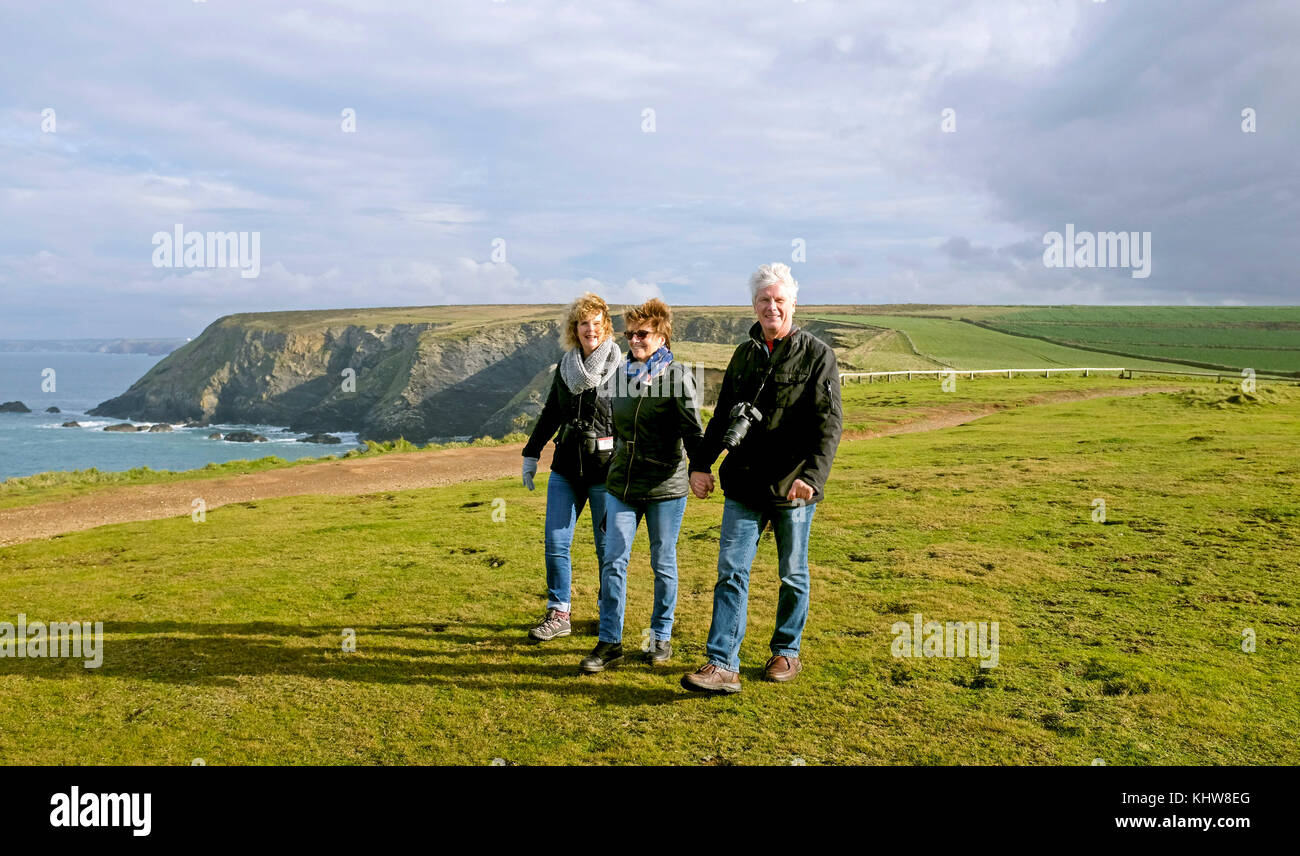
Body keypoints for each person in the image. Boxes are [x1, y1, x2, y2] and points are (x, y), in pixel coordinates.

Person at [680, 263, 843, 693]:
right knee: (731, 571)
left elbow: (830, 424)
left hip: (793, 486)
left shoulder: (817, 355)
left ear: (793, 304)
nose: (772, 307)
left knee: (792, 573)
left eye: (779, 300)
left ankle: (786, 651)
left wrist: (813, 476)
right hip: (744, 484)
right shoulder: (744, 354)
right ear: (753, 305)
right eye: (764, 300)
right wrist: (701, 465)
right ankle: (722, 664)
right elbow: (721, 419)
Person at [578, 298, 704, 673]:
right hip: (622, 485)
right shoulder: (619, 375)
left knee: (662, 563)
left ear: (662, 336)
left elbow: (692, 431)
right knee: (613, 561)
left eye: (642, 333)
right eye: (630, 333)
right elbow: (610, 424)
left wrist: (700, 467)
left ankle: (660, 637)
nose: (634, 339)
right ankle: (610, 642)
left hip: (665, 484)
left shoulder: (678, 376)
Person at [521, 293, 622, 642]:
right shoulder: (566, 367)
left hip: (604, 470)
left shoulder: (620, 368)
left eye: (596, 323)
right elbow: (551, 412)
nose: (590, 329)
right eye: (583, 323)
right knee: (555, 542)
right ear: (574, 328)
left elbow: (631, 418)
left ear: (605, 326)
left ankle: (609, 616)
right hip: (565, 466)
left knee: (607, 547)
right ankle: (559, 611)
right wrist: (531, 453)